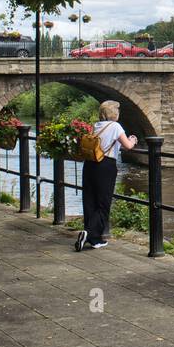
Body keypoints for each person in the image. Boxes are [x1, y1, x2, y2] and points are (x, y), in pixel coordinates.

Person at [75, 100, 137, 252]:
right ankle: (89, 232)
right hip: (105, 166)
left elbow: (106, 144)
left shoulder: (97, 125)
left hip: (90, 164)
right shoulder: (115, 126)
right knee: (103, 203)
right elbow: (127, 146)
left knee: (90, 200)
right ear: (114, 113)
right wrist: (133, 140)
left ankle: (95, 239)